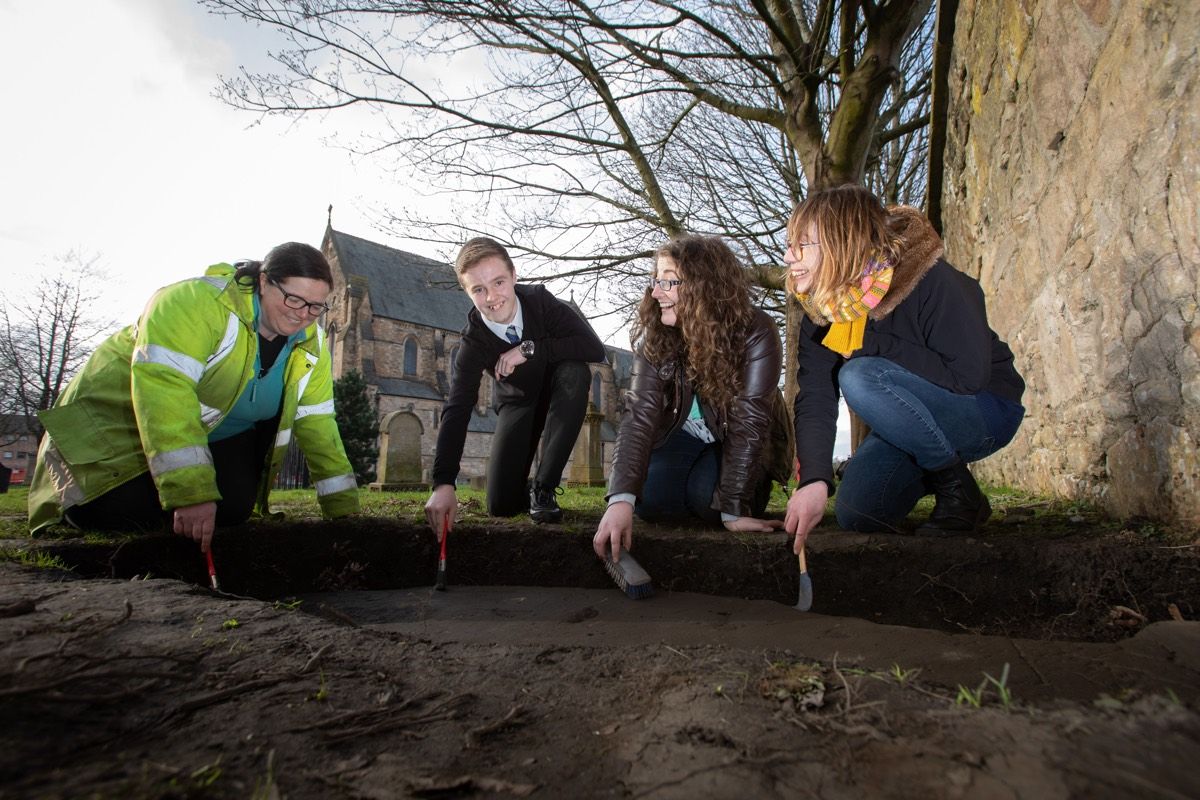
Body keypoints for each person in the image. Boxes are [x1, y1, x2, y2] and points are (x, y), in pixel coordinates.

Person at [28, 242, 360, 550]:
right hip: (115, 432)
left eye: (316, 306)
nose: (303, 314)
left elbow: (317, 424)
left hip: (216, 437)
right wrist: (190, 492)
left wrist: (344, 512)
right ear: (263, 282)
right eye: (293, 299)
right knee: (108, 511)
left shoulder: (313, 343)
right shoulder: (193, 303)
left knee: (233, 510)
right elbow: (165, 393)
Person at [783, 185, 1025, 552]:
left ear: (842, 242)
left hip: (985, 409)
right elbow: (816, 397)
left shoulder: (929, 279)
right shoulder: (821, 314)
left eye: (802, 245)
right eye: (789, 244)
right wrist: (814, 480)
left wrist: (870, 345)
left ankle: (957, 490)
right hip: (910, 423)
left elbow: (968, 378)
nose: (789, 257)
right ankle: (939, 472)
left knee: (859, 376)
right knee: (858, 511)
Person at [593, 235, 794, 562]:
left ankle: (721, 498)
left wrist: (733, 510)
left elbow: (750, 421)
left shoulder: (756, 331)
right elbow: (638, 416)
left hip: (740, 446)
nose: (655, 292)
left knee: (708, 499)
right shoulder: (656, 337)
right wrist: (620, 499)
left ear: (704, 285)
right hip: (684, 441)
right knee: (647, 499)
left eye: (668, 281)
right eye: (655, 280)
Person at [424, 237, 606, 534]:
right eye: (478, 289)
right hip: (518, 401)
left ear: (514, 276)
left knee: (576, 371)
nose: (492, 297)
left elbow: (594, 348)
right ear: (467, 292)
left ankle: (544, 489)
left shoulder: (540, 301)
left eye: (499, 282)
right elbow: (457, 407)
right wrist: (443, 483)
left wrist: (528, 349)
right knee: (501, 505)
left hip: (562, 393)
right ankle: (524, 488)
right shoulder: (474, 342)